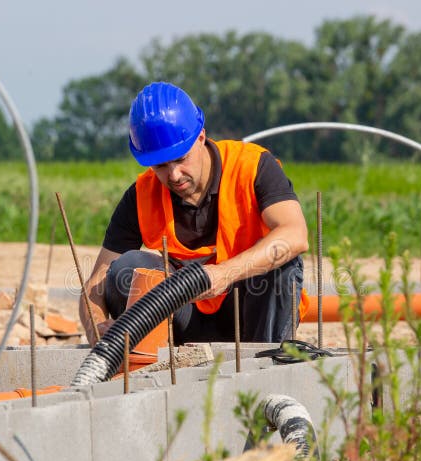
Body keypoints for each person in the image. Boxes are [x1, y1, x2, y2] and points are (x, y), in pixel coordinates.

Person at [80, 81, 308, 345]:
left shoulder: (252, 166)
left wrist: (223, 274)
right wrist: (95, 325)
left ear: (201, 137)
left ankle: (264, 366)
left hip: (249, 315)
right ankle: (155, 361)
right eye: (161, 165)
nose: (174, 175)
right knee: (125, 270)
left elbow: (295, 234)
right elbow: (96, 284)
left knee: (282, 262)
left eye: (180, 159)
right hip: (185, 324)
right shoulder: (142, 195)